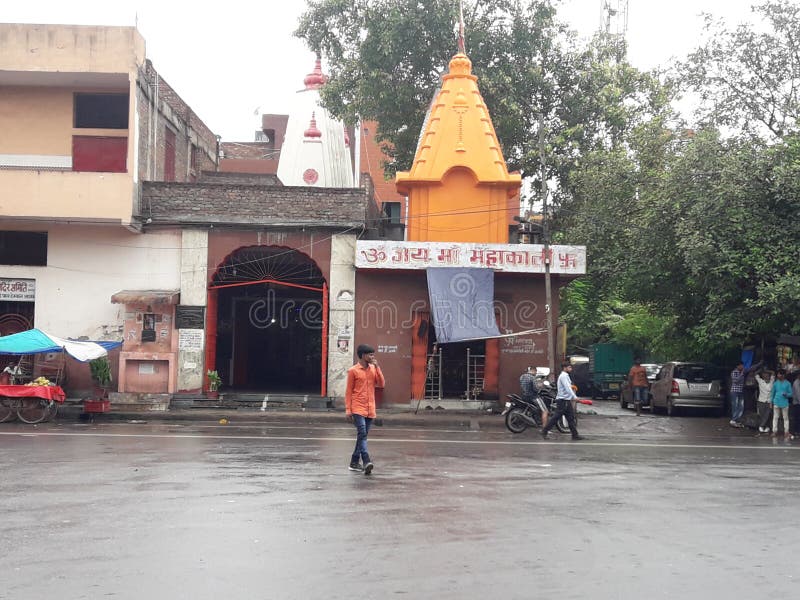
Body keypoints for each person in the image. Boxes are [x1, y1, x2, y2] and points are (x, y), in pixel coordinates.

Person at [345, 344, 385, 475]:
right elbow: (349, 391)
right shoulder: (353, 371)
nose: (372, 357)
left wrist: (378, 367)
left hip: (370, 408)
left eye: (373, 354)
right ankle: (366, 460)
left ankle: (354, 462)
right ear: (363, 355)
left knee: (362, 436)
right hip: (357, 407)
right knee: (362, 434)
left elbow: (382, 384)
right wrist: (348, 409)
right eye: (370, 354)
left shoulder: (373, 368)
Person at [541, 361, 583, 440]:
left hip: (566, 401)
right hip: (562, 401)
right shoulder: (563, 376)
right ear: (565, 368)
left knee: (570, 418)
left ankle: (575, 435)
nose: (571, 369)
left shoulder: (566, 376)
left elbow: (569, 387)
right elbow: (568, 388)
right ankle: (545, 431)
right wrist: (574, 397)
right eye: (569, 367)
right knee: (556, 417)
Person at [729, 360, 761, 427]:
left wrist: (759, 364)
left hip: (740, 391)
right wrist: (741, 374)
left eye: (742, 365)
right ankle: (733, 420)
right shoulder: (734, 372)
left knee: (741, 406)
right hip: (735, 391)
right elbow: (736, 381)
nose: (742, 367)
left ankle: (737, 420)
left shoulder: (743, 371)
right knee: (735, 406)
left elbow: (751, 369)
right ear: (737, 366)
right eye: (741, 365)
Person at [769, 369, 793, 440]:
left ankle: (786, 432)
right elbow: (772, 394)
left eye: (779, 374)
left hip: (785, 403)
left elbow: (791, 394)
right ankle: (774, 431)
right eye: (778, 374)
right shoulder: (775, 383)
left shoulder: (788, 383)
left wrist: (787, 394)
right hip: (776, 402)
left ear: (783, 375)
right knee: (775, 417)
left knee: (785, 418)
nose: (778, 375)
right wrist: (771, 402)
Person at [754, 369, 774, 434]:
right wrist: (761, 370)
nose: (766, 376)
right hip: (761, 401)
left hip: (769, 401)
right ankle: (765, 427)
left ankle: (762, 426)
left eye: (767, 375)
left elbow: (773, 373)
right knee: (762, 415)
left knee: (767, 415)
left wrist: (766, 370)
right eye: (764, 375)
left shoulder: (772, 381)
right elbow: (755, 374)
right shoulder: (760, 381)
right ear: (762, 376)